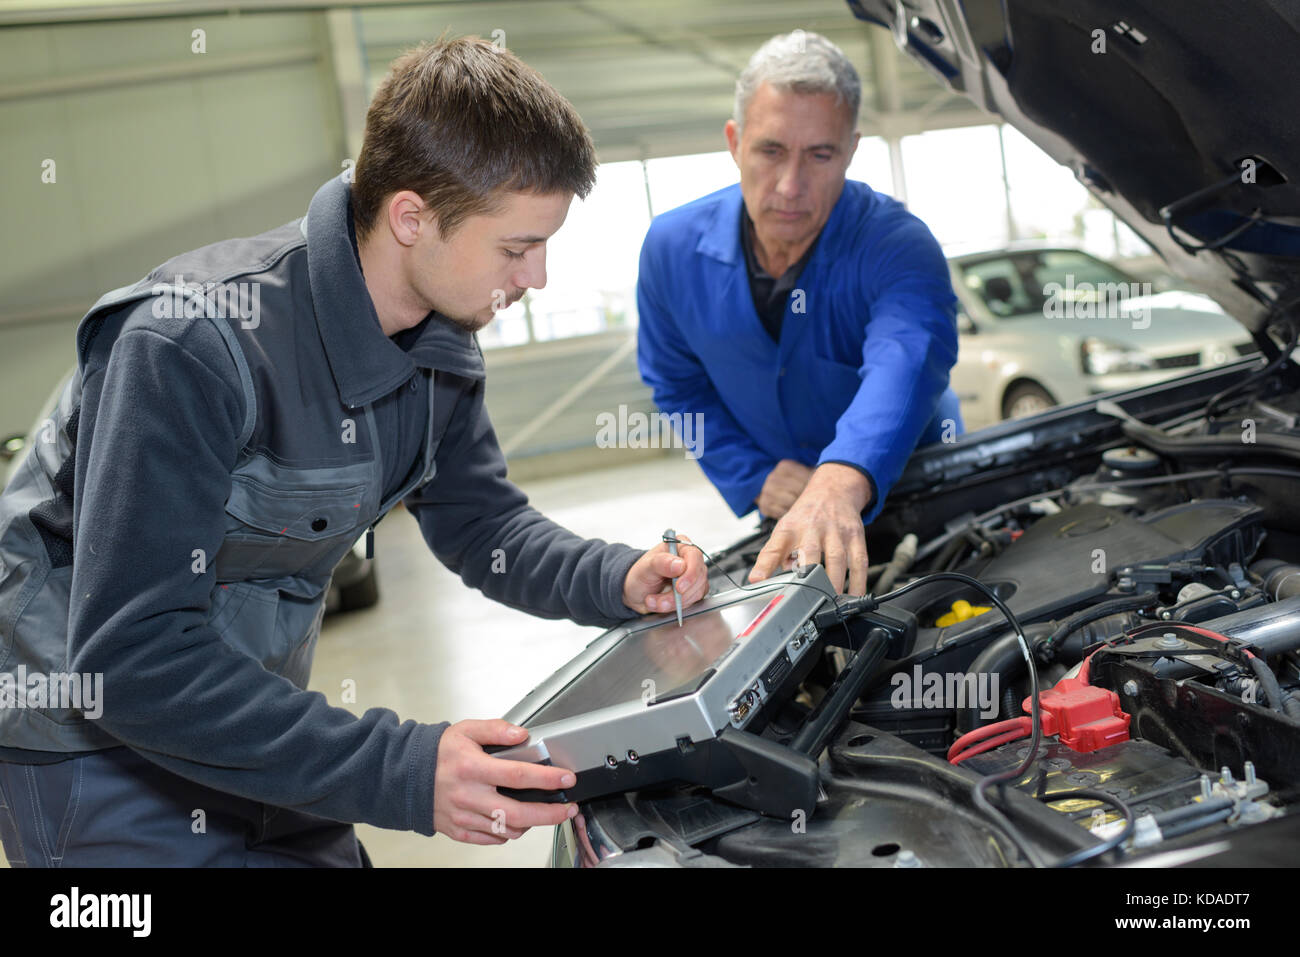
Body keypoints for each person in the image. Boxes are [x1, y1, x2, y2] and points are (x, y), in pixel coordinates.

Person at [0, 37, 708, 866]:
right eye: (517, 248)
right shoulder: (191, 344)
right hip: (88, 744)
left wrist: (616, 577)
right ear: (412, 218)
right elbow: (132, 656)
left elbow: (482, 525)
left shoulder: (441, 348)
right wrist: (404, 770)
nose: (538, 277)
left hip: (250, 717)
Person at [636, 31, 963, 597]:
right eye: (770, 151)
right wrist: (752, 474)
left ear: (851, 150)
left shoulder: (898, 246)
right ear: (735, 142)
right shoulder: (671, 250)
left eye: (820, 155)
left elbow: (908, 360)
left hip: (922, 487)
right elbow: (678, 387)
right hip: (785, 505)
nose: (790, 186)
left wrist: (842, 476)